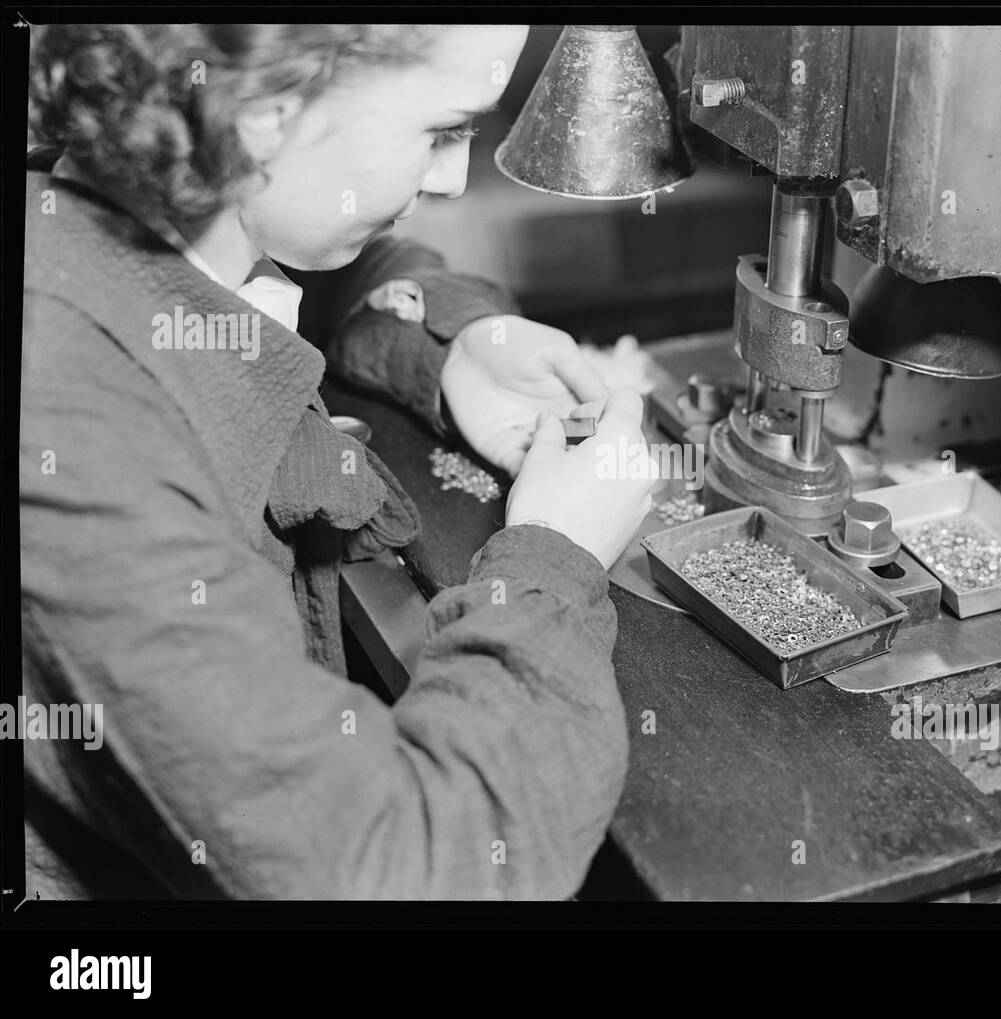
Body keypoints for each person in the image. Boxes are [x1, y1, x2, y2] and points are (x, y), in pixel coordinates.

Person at [21, 23, 655, 899]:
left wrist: (455, 341)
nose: (451, 177)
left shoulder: (132, 209)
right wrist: (554, 554)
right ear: (267, 109)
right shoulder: (76, 430)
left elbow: (311, 264)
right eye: (441, 129)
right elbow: (415, 866)